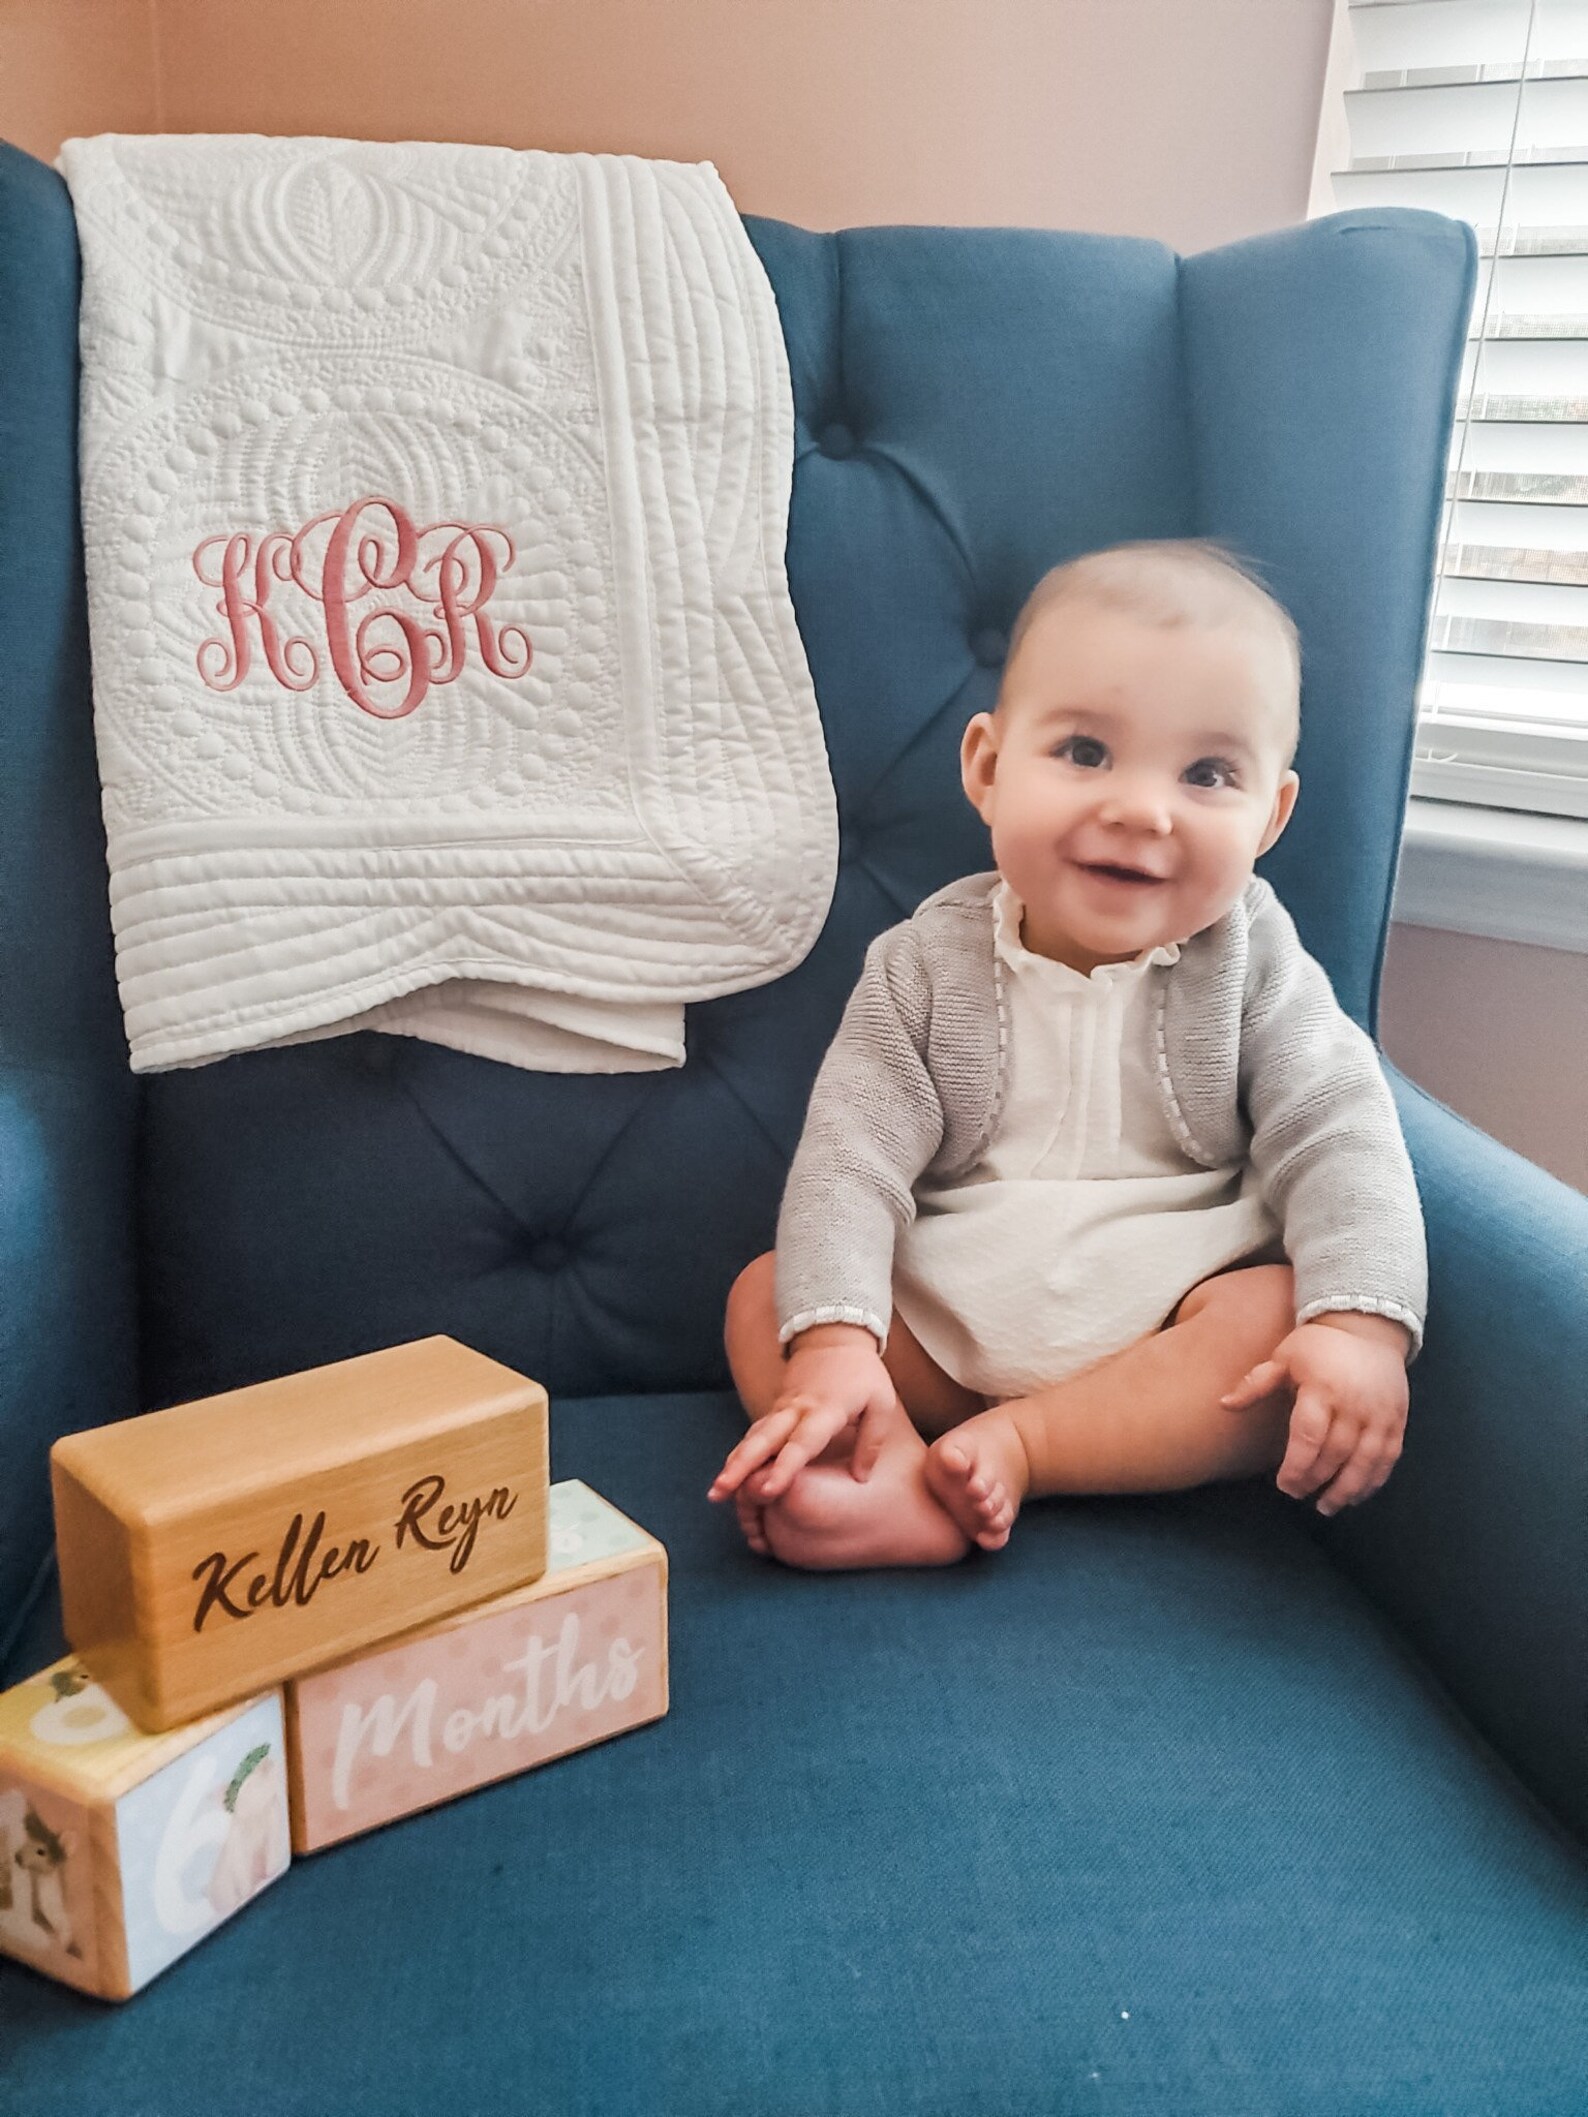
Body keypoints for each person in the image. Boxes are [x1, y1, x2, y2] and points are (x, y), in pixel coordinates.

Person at [706, 537, 1427, 1571]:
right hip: (951, 1316)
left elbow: (1341, 1128)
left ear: (1269, 815)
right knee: (768, 1296)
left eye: (1208, 772)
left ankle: (1026, 1450)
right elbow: (849, 1159)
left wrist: (1360, 1324)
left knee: (1278, 1328)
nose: (1141, 807)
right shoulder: (920, 965)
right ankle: (908, 1474)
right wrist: (833, 1348)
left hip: (1163, 1331)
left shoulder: (1255, 961)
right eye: (1085, 752)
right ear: (989, 769)